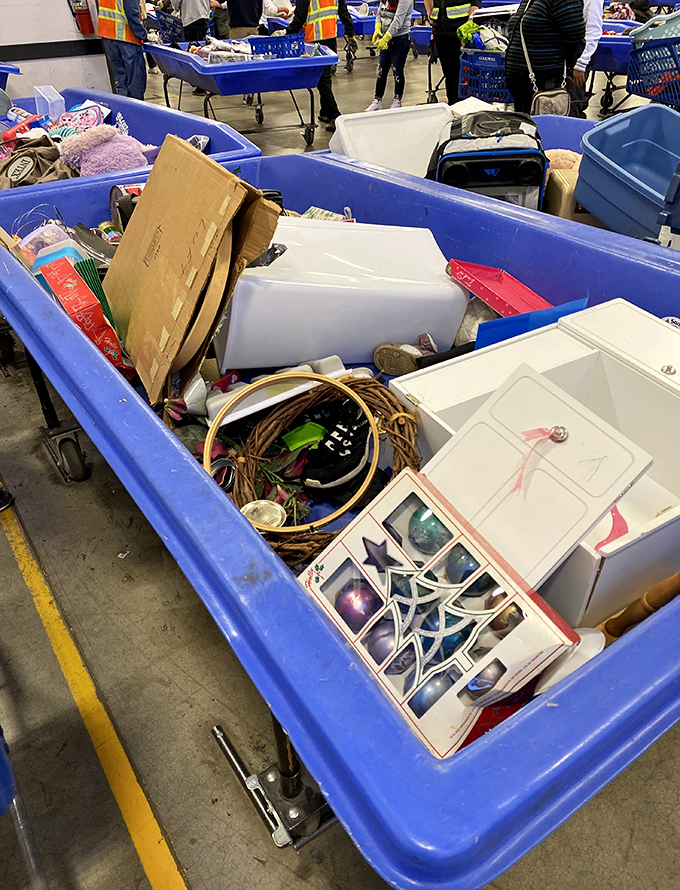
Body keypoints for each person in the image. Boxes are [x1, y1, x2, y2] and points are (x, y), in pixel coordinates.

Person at [285, 0, 358, 131]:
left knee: (322, 80)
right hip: (330, 37)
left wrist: (287, 33)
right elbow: (343, 12)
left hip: (314, 39)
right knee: (326, 77)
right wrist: (350, 32)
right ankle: (325, 112)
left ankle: (335, 116)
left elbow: (300, 17)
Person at [504, 0, 585, 114]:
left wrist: (557, 64)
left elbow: (575, 40)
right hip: (525, 88)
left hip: (546, 84)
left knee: (546, 129)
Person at [423, 0, 479, 106]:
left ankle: (459, 107)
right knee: (448, 73)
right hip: (440, 31)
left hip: (459, 31)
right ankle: (451, 106)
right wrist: (429, 14)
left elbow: (475, 3)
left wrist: (467, 28)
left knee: (459, 74)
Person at [365, 0, 415, 111]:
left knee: (397, 71)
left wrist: (387, 37)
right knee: (381, 70)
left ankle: (397, 100)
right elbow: (379, 13)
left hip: (400, 38)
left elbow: (398, 20)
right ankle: (377, 100)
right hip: (385, 36)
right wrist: (377, 27)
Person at [97, 0, 148, 101]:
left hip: (108, 35)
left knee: (121, 80)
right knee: (135, 81)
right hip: (126, 38)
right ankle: (136, 112)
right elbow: (131, 14)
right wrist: (144, 35)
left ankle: (124, 112)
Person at [569, 0, 602, 117]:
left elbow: (593, 30)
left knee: (570, 107)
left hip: (576, 61)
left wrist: (581, 64)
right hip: (559, 61)